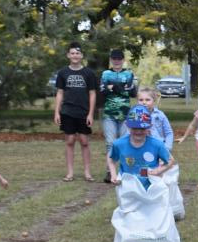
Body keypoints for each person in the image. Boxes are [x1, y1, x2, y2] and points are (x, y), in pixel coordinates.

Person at [53, 42, 97, 182]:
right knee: (70, 141)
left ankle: (87, 172)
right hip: (67, 111)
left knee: (84, 141)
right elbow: (60, 93)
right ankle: (70, 173)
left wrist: (90, 114)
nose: (75, 56)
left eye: (77, 53)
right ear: (68, 55)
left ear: (82, 55)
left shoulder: (88, 73)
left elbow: (92, 94)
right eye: (72, 53)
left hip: (83, 112)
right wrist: (57, 112)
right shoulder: (63, 72)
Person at [108, 106, 175, 188]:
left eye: (142, 128)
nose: (138, 131)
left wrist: (158, 171)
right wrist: (113, 175)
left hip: (151, 187)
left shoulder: (157, 144)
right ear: (127, 125)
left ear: (150, 126)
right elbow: (111, 159)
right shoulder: (119, 144)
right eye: (135, 128)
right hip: (127, 187)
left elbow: (170, 160)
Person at [99, 49, 136, 181]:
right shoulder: (106, 74)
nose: (117, 61)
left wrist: (112, 87)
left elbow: (132, 92)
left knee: (125, 142)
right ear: (111, 59)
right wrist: (118, 87)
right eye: (114, 58)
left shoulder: (129, 73)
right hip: (109, 113)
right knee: (110, 143)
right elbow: (102, 90)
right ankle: (110, 171)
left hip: (125, 114)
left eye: (119, 59)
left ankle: (126, 171)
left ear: (123, 60)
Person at [137, 87, 174, 151]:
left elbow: (169, 133)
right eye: (141, 100)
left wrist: (167, 147)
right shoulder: (135, 116)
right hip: (141, 148)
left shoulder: (160, 115)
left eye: (147, 100)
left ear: (154, 100)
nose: (144, 102)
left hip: (159, 148)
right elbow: (129, 133)